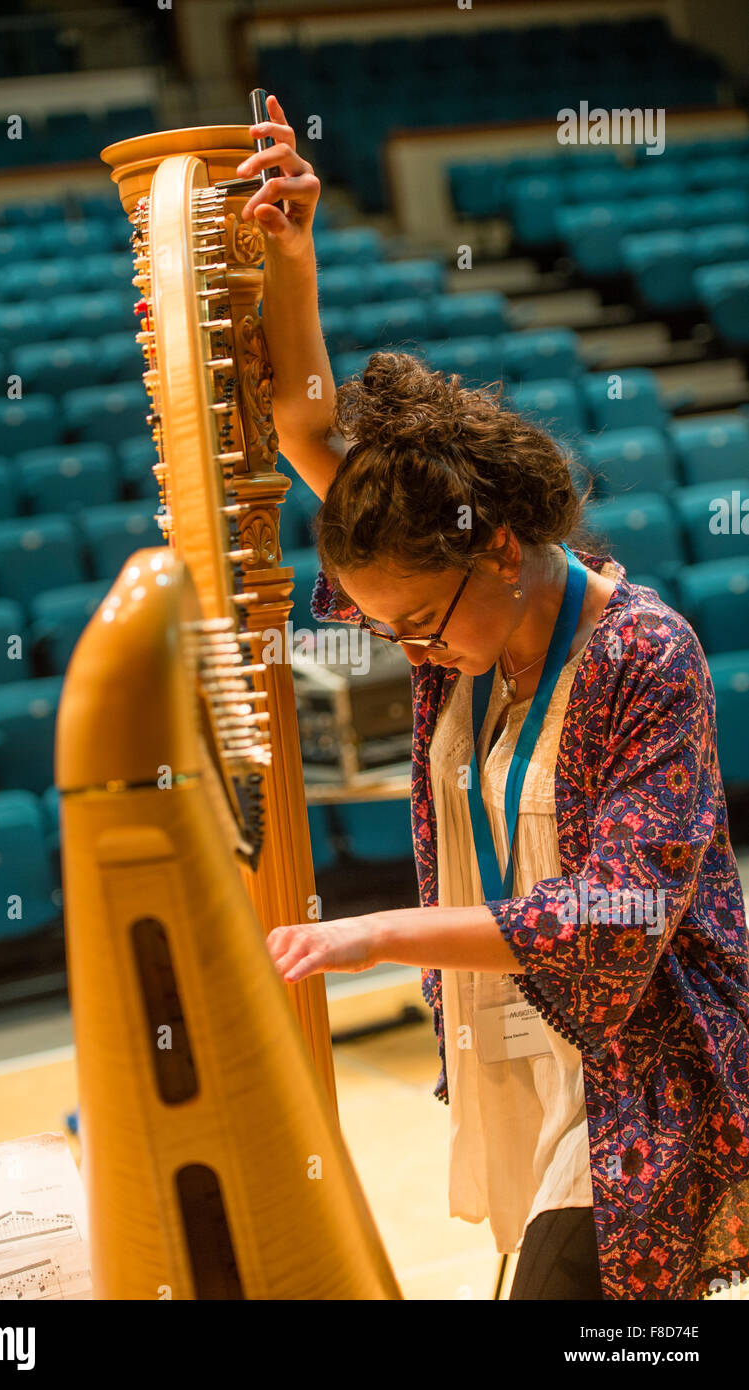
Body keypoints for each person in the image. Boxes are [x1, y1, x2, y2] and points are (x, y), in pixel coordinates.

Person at [239, 95, 749, 1302]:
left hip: (648, 1064)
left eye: (417, 622)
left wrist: (370, 933)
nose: (411, 648)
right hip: (513, 1043)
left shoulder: (641, 653)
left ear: (503, 545)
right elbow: (307, 426)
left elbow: (617, 911)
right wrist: (291, 257)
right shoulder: (451, 613)